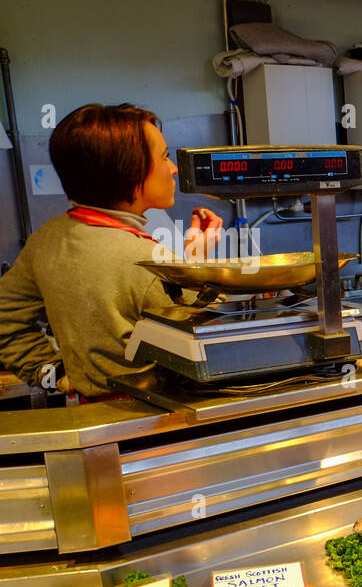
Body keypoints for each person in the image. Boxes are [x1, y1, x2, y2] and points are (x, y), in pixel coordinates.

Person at [0, 103, 223, 399]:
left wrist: (54, 374)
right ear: (129, 173)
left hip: (91, 411)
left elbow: (5, 319)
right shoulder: (149, 263)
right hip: (163, 421)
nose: (174, 169)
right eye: (165, 157)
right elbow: (217, 335)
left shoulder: (46, 238)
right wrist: (195, 263)